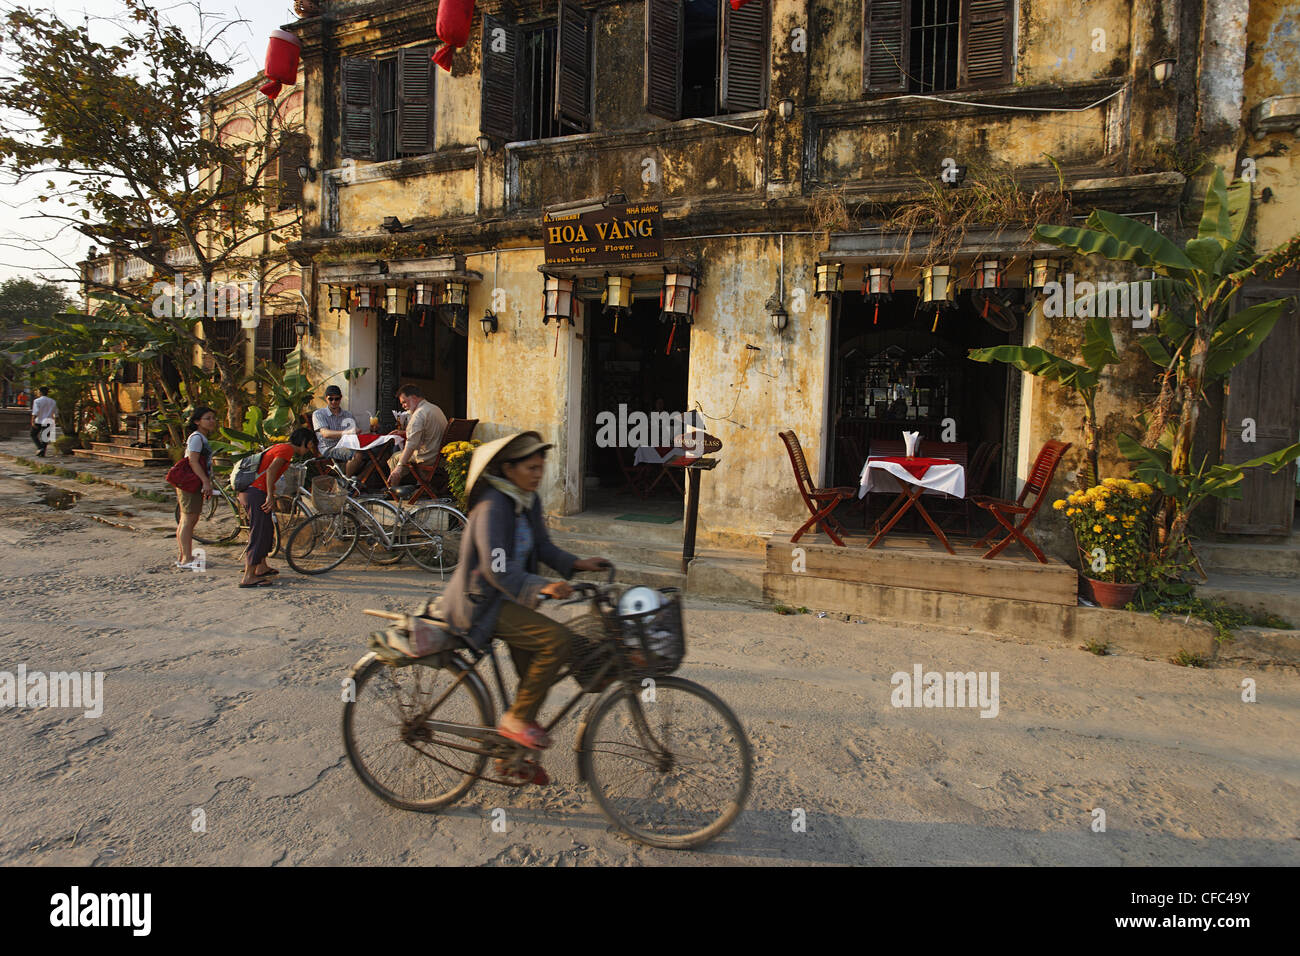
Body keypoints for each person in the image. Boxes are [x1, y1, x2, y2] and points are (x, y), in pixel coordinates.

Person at [438, 431, 609, 752]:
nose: (537, 474)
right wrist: (543, 586)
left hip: (511, 598)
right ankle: (515, 723)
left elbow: (543, 547)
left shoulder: (527, 501)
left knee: (537, 676)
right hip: (483, 602)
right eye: (530, 467)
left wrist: (578, 564)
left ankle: (509, 754)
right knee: (557, 642)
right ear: (508, 469)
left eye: (540, 467)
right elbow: (496, 568)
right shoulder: (493, 507)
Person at [237, 427, 317, 588]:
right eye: (310, 445)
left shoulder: (281, 447)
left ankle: (261, 567)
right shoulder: (286, 450)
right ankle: (248, 576)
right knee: (258, 532)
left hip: (253, 492)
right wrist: (269, 496)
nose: (310, 449)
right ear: (306, 442)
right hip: (256, 492)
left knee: (266, 529)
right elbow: (272, 470)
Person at [175, 406, 217, 570]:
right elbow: (192, 461)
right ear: (197, 421)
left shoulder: (201, 437)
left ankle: (184, 555)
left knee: (188, 520)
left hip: (193, 482)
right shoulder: (197, 438)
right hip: (190, 483)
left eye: (213, 418)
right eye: (208, 418)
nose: (212, 421)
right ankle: (186, 559)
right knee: (188, 519)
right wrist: (205, 481)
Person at [386, 384, 447, 488]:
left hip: (427, 457)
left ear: (414, 397)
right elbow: (428, 433)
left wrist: (399, 467)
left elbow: (411, 444)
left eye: (404, 402)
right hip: (439, 455)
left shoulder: (419, 414)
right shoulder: (435, 408)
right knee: (405, 454)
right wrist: (404, 433)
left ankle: (392, 490)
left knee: (395, 457)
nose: (403, 406)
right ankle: (420, 486)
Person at [311, 385, 365, 476]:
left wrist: (358, 431)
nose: (334, 402)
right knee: (357, 455)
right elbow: (325, 433)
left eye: (337, 399)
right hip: (330, 447)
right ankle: (347, 483)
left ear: (341, 398)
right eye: (330, 399)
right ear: (326, 398)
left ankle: (359, 480)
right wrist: (346, 433)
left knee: (376, 452)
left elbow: (355, 432)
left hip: (347, 445)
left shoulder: (347, 414)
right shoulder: (319, 414)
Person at [30, 387, 57, 457]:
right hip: (48, 421)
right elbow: (56, 413)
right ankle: (42, 452)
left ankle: (40, 448)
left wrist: (32, 420)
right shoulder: (53, 401)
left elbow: (35, 412)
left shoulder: (37, 401)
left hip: (39, 420)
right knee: (45, 438)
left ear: (40, 392)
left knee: (33, 434)